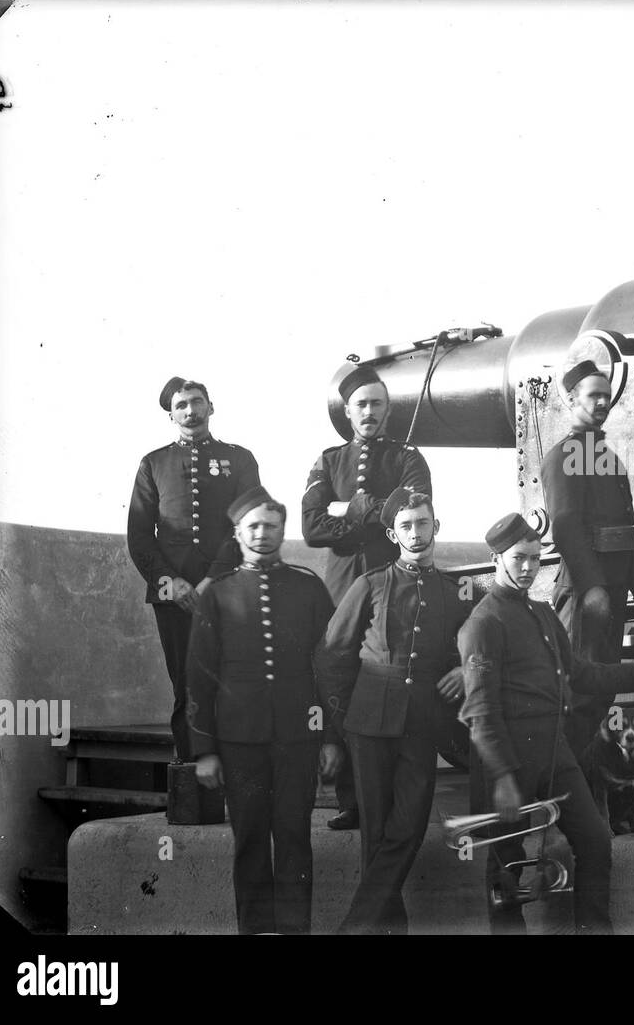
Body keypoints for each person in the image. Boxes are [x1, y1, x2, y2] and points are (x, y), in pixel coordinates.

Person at [458, 512, 634, 934]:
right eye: (519, 558)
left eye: (536, 559)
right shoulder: (483, 623)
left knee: (594, 841)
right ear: (496, 558)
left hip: (554, 751)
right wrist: (501, 778)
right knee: (506, 866)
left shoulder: (542, 613)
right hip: (509, 758)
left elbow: (580, 672)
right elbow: (480, 711)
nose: (528, 567)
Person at [314, 489, 469, 934]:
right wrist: (340, 721)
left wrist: (463, 669)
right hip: (368, 725)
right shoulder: (371, 583)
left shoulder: (457, 588)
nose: (416, 534)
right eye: (406, 526)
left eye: (423, 523)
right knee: (377, 834)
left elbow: (482, 641)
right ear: (392, 533)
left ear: (435, 526)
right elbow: (331, 654)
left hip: (422, 725)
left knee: (410, 827)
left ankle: (354, 929)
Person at [187, 486, 339, 934]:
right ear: (237, 533)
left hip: (298, 739)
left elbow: (329, 667)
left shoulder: (308, 587)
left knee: (294, 838)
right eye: (252, 526)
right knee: (250, 841)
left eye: (270, 526)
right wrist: (205, 750)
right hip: (239, 743)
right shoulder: (217, 593)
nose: (262, 534)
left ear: (282, 531)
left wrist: (331, 736)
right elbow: (198, 676)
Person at [303, 363, 433, 830]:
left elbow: (414, 509)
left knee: (388, 680)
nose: (370, 412)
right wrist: (377, 512)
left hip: (392, 587)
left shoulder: (408, 459)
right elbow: (312, 527)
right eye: (361, 405)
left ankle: (392, 796)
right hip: (341, 588)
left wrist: (352, 509)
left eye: (377, 403)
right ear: (347, 411)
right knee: (341, 678)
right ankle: (351, 799)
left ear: (387, 409)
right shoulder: (327, 460)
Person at [541, 359, 634, 759]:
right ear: (570, 399)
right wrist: (593, 587)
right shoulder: (563, 456)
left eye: (605, 395)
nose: (602, 402)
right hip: (585, 598)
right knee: (581, 696)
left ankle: (589, 798)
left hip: (611, 596)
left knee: (602, 694)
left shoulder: (606, 457)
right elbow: (565, 527)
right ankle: (566, 795)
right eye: (592, 395)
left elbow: (628, 538)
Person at [128, 377, 260, 762]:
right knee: (186, 688)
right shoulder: (153, 463)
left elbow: (248, 524)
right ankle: (191, 779)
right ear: (171, 415)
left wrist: (209, 583)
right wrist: (175, 584)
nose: (190, 410)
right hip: (173, 598)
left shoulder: (240, 458)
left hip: (230, 590)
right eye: (182, 405)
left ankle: (237, 779)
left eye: (197, 402)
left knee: (233, 682)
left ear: (211, 407)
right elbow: (140, 535)